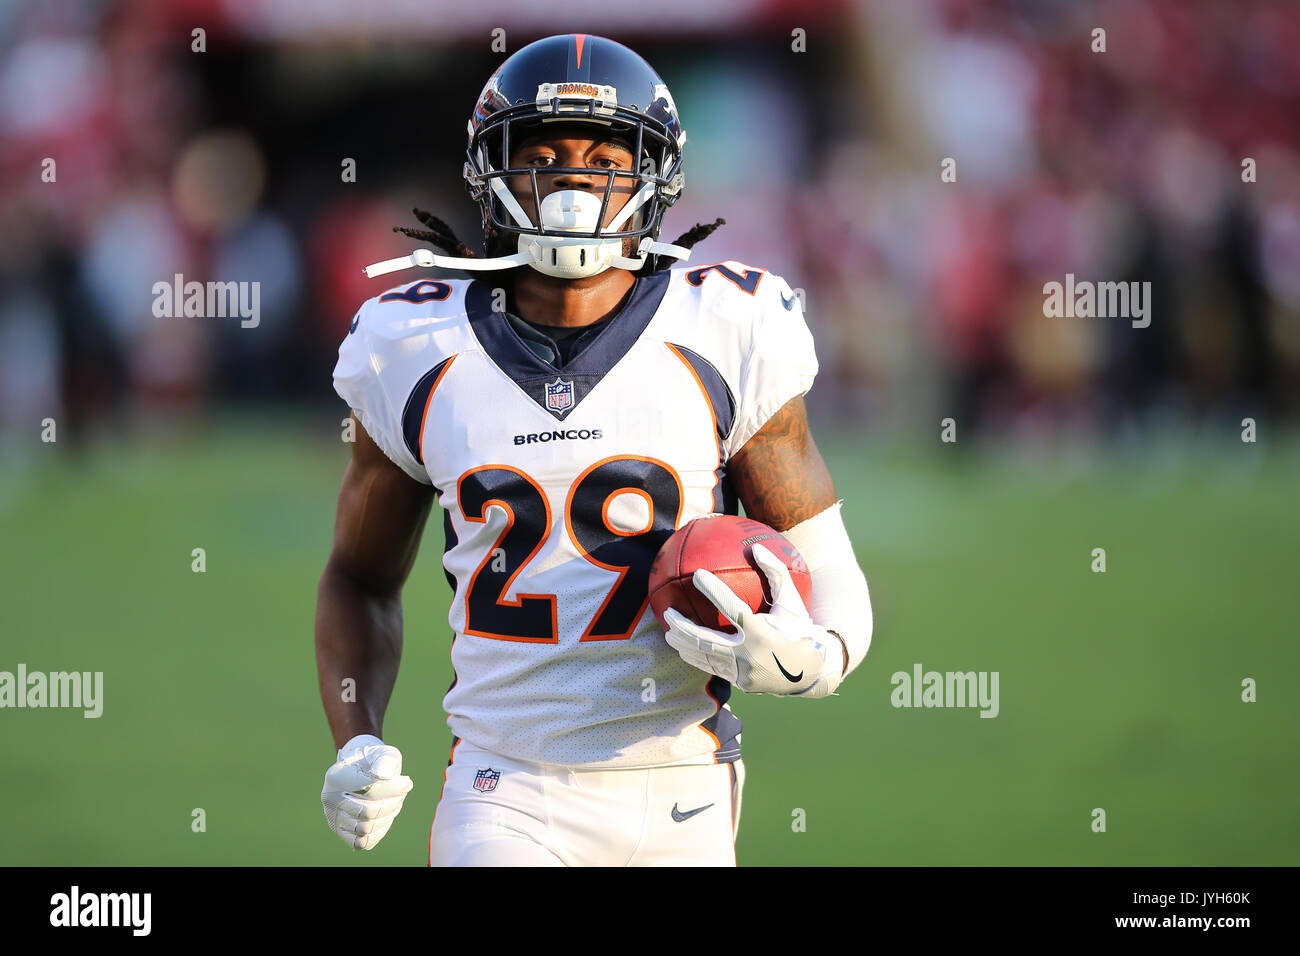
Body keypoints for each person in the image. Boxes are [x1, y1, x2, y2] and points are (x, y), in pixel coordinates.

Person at [315, 33, 873, 866]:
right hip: (505, 786)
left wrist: (814, 656)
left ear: (657, 174)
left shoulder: (725, 328)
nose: (574, 182)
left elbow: (826, 565)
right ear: (488, 172)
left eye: (604, 156)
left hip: (684, 781)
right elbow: (359, 579)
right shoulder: (412, 344)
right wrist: (356, 738)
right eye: (541, 153)